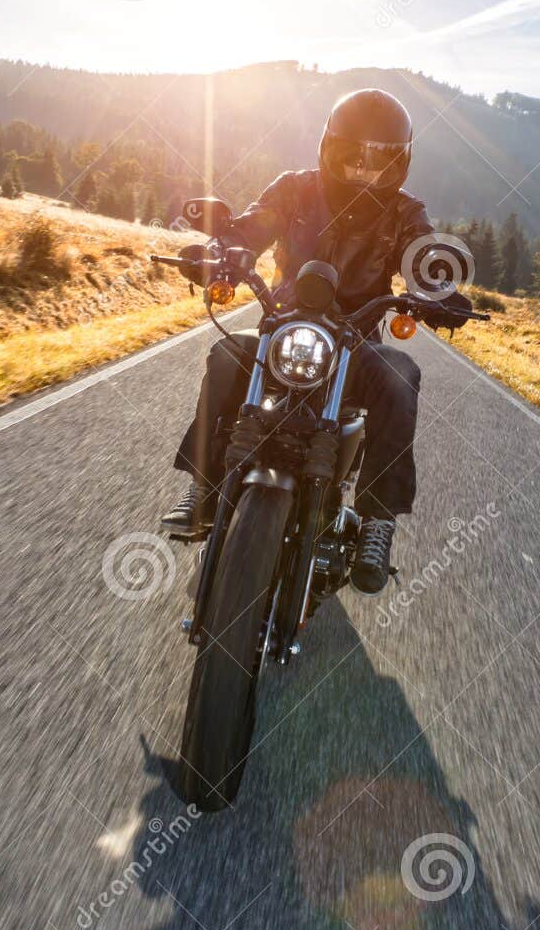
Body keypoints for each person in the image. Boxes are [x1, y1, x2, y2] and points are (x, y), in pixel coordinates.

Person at [162, 87, 469, 593]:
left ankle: (376, 522)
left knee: (400, 375)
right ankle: (205, 485)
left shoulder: (404, 212)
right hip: (283, 328)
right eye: (353, 159)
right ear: (331, 150)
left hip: (355, 343)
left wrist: (438, 290)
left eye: (378, 164)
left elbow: (423, 254)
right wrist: (226, 250)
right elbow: (253, 225)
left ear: (399, 164)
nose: (364, 173)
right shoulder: (295, 189)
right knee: (226, 354)